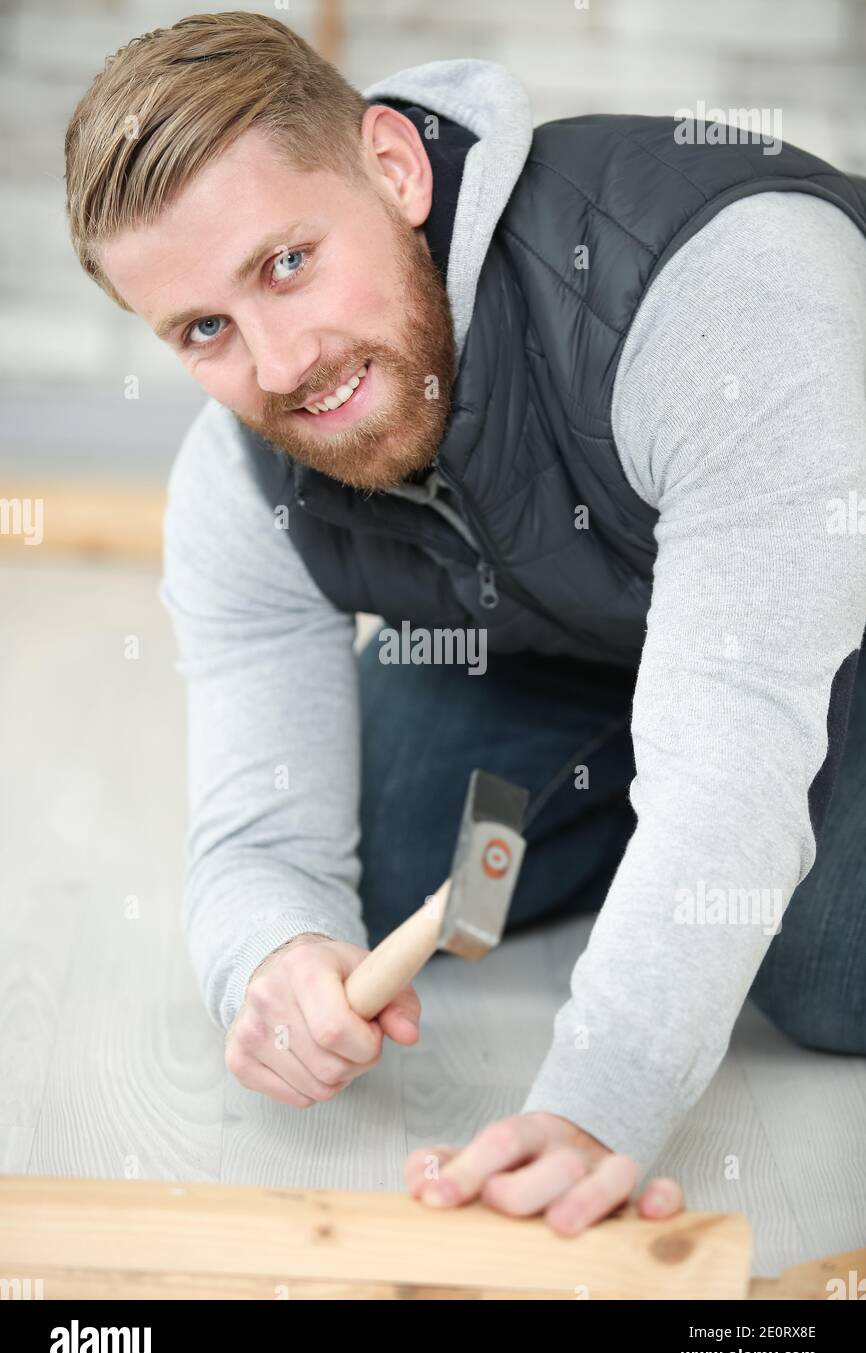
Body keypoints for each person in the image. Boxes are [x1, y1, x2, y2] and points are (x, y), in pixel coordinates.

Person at [64, 11, 866, 1237]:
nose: (280, 365)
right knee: (385, 867)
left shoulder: (714, 289)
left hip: (823, 613)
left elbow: (732, 757)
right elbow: (259, 828)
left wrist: (601, 1097)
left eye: (287, 262)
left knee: (822, 971)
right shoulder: (238, 480)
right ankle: (660, 842)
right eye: (204, 330)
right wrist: (271, 958)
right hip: (610, 634)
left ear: (392, 166)